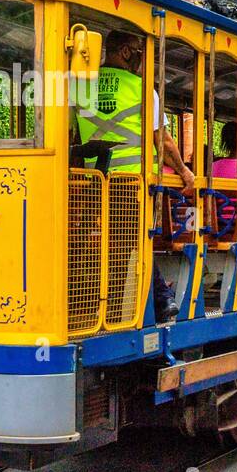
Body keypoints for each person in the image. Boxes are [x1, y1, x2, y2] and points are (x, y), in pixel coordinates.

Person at [73, 29, 194, 322]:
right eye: (139, 52)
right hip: (131, 183)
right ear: (126, 52)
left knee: (105, 243)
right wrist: (184, 172)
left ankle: (99, 303)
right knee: (133, 242)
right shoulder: (142, 89)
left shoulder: (80, 87)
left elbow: (74, 134)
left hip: (93, 182)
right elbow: (163, 141)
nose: (141, 58)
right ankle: (156, 300)